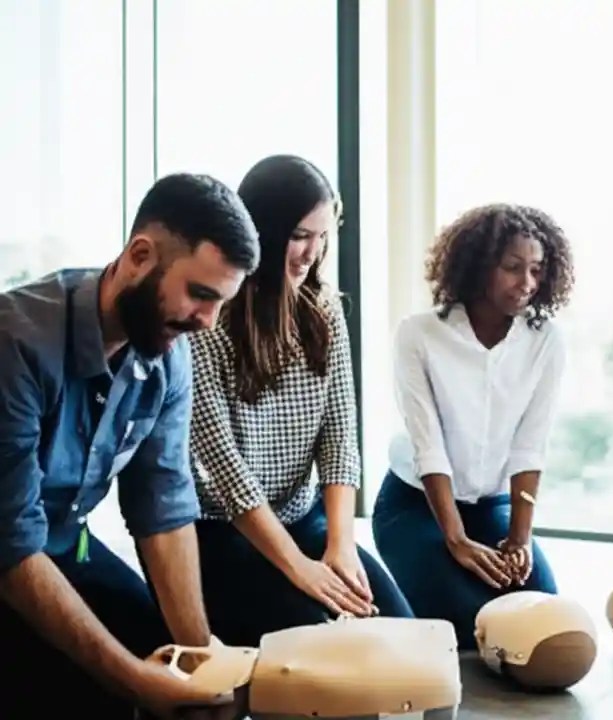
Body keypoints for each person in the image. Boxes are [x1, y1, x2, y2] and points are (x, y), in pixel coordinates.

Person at [0, 173, 260, 718]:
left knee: (181, 679)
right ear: (140, 256)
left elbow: (162, 508)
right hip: (10, 558)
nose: (207, 323)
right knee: (98, 691)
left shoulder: (170, 358)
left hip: (66, 548)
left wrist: (200, 660)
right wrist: (136, 683)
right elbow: (11, 542)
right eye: (200, 294)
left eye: (221, 305)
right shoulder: (15, 344)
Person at [187, 155, 412, 647]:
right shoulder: (209, 319)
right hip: (223, 533)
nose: (313, 251)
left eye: (323, 235)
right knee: (327, 642)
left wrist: (341, 545)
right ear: (264, 231)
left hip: (303, 517)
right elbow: (223, 468)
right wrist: (299, 570)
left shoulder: (325, 309)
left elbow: (338, 436)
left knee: (401, 633)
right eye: (300, 235)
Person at [372, 203, 574, 649]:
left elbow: (529, 446)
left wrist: (520, 539)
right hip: (414, 506)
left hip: (492, 505)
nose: (527, 284)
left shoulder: (546, 342)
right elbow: (429, 448)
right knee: (469, 625)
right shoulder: (418, 334)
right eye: (512, 268)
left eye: (537, 270)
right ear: (480, 265)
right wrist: (457, 540)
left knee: (544, 622)